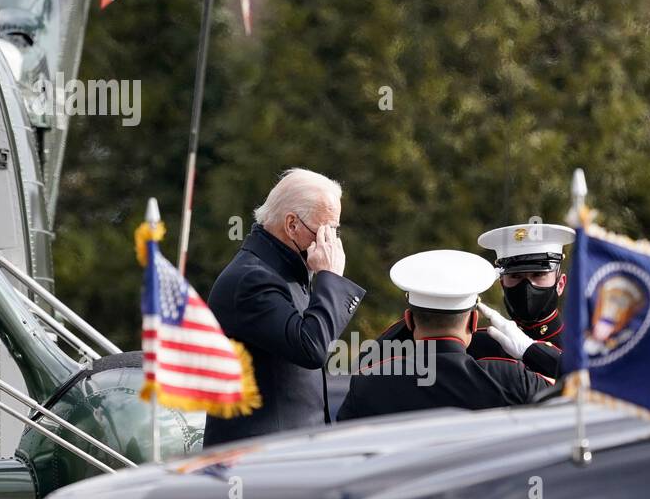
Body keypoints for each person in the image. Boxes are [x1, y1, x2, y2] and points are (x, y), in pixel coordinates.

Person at [202, 168, 365, 446]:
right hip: (258, 466)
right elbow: (311, 347)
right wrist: (331, 278)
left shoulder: (287, 273)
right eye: (325, 232)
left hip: (287, 458)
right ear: (292, 225)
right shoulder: (252, 278)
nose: (332, 245)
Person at [338, 249, 547, 420]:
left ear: (409, 321)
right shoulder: (511, 379)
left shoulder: (371, 383)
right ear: (474, 322)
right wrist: (532, 351)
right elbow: (575, 392)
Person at [472, 222, 575, 378]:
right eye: (515, 276)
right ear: (502, 285)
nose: (527, 287)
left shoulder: (582, 349)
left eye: (538, 275)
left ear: (560, 284)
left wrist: (533, 352)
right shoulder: (477, 344)